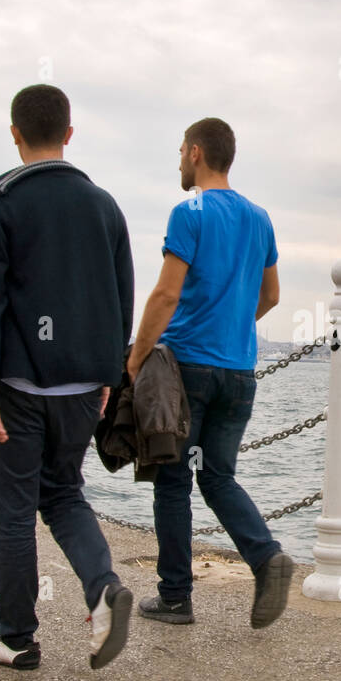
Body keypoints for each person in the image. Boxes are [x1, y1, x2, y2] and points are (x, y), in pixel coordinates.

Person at [0, 84, 135, 671]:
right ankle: (103, 589)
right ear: (69, 133)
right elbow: (119, 298)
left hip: (16, 389)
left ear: (14, 133)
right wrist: (108, 373)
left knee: (13, 514)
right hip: (84, 388)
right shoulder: (105, 206)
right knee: (63, 496)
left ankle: (16, 639)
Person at [128, 118, 293, 629]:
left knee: (173, 482)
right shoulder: (260, 218)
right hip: (239, 372)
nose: (178, 160)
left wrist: (135, 358)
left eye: (180, 151)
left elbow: (166, 294)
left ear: (197, 153)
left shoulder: (189, 212)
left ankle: (176, 598)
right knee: (218, 476)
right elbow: (271, 296)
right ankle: (266, 559)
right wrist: (231, 328)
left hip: (188, 372)